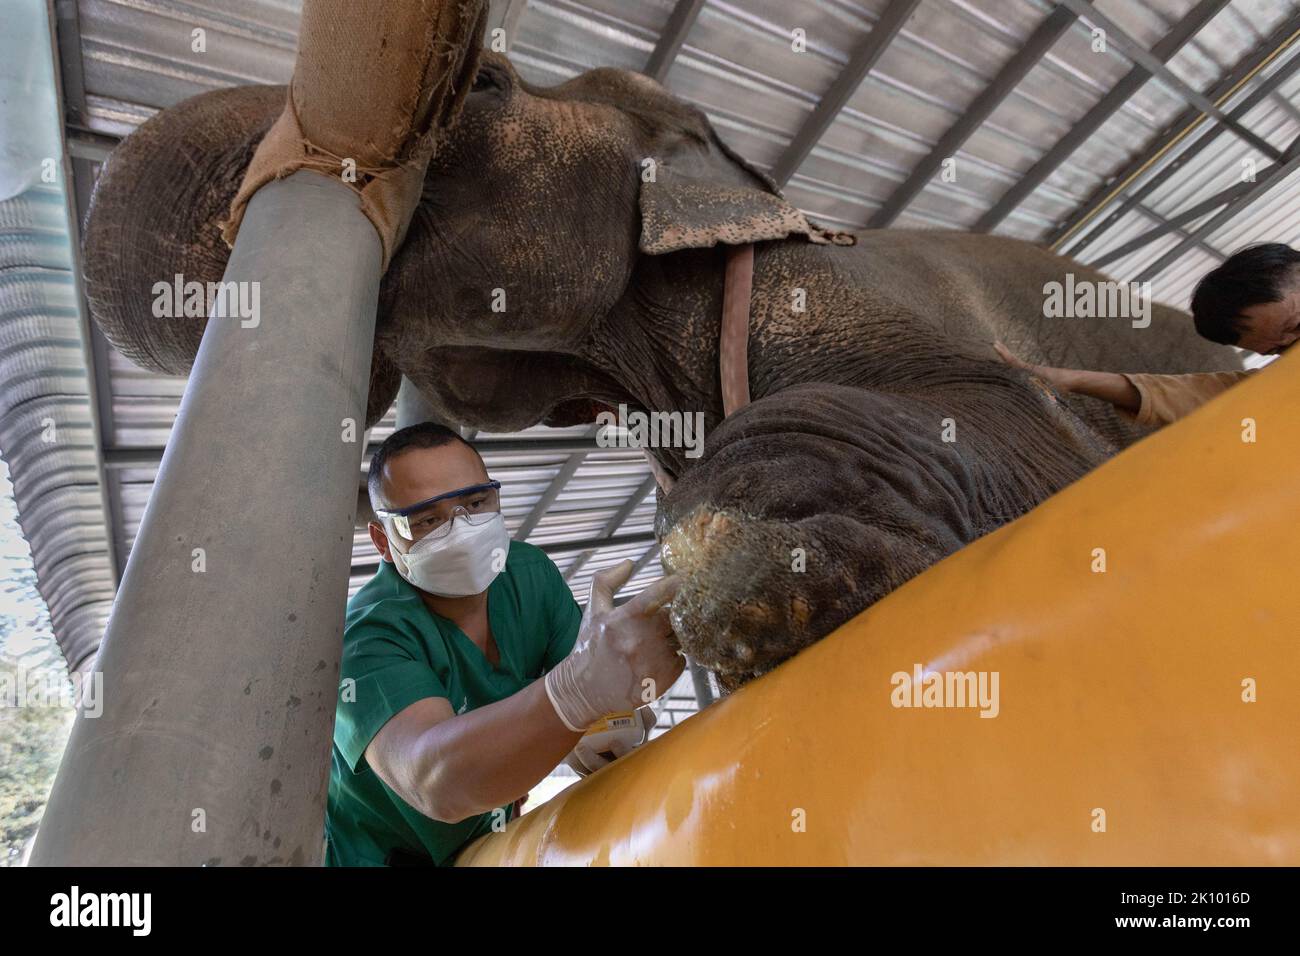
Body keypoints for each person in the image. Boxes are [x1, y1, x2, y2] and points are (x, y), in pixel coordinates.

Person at [325, 423, 683, 866]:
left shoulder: (528, 575)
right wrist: (574, 694)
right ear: (383, 540)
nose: (461, 530)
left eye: (475, 503)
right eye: (427, 520)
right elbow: (433, 782)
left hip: (490, 843)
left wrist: (610, 724)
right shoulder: (367, 639)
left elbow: (594, 692)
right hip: (385, 857)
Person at [996, 243, 1299, 428]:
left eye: (1295, 326)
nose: (1289, 346)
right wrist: (1068, 379)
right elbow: (1187, 393)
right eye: (1275, 350)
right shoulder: (1278, 386)